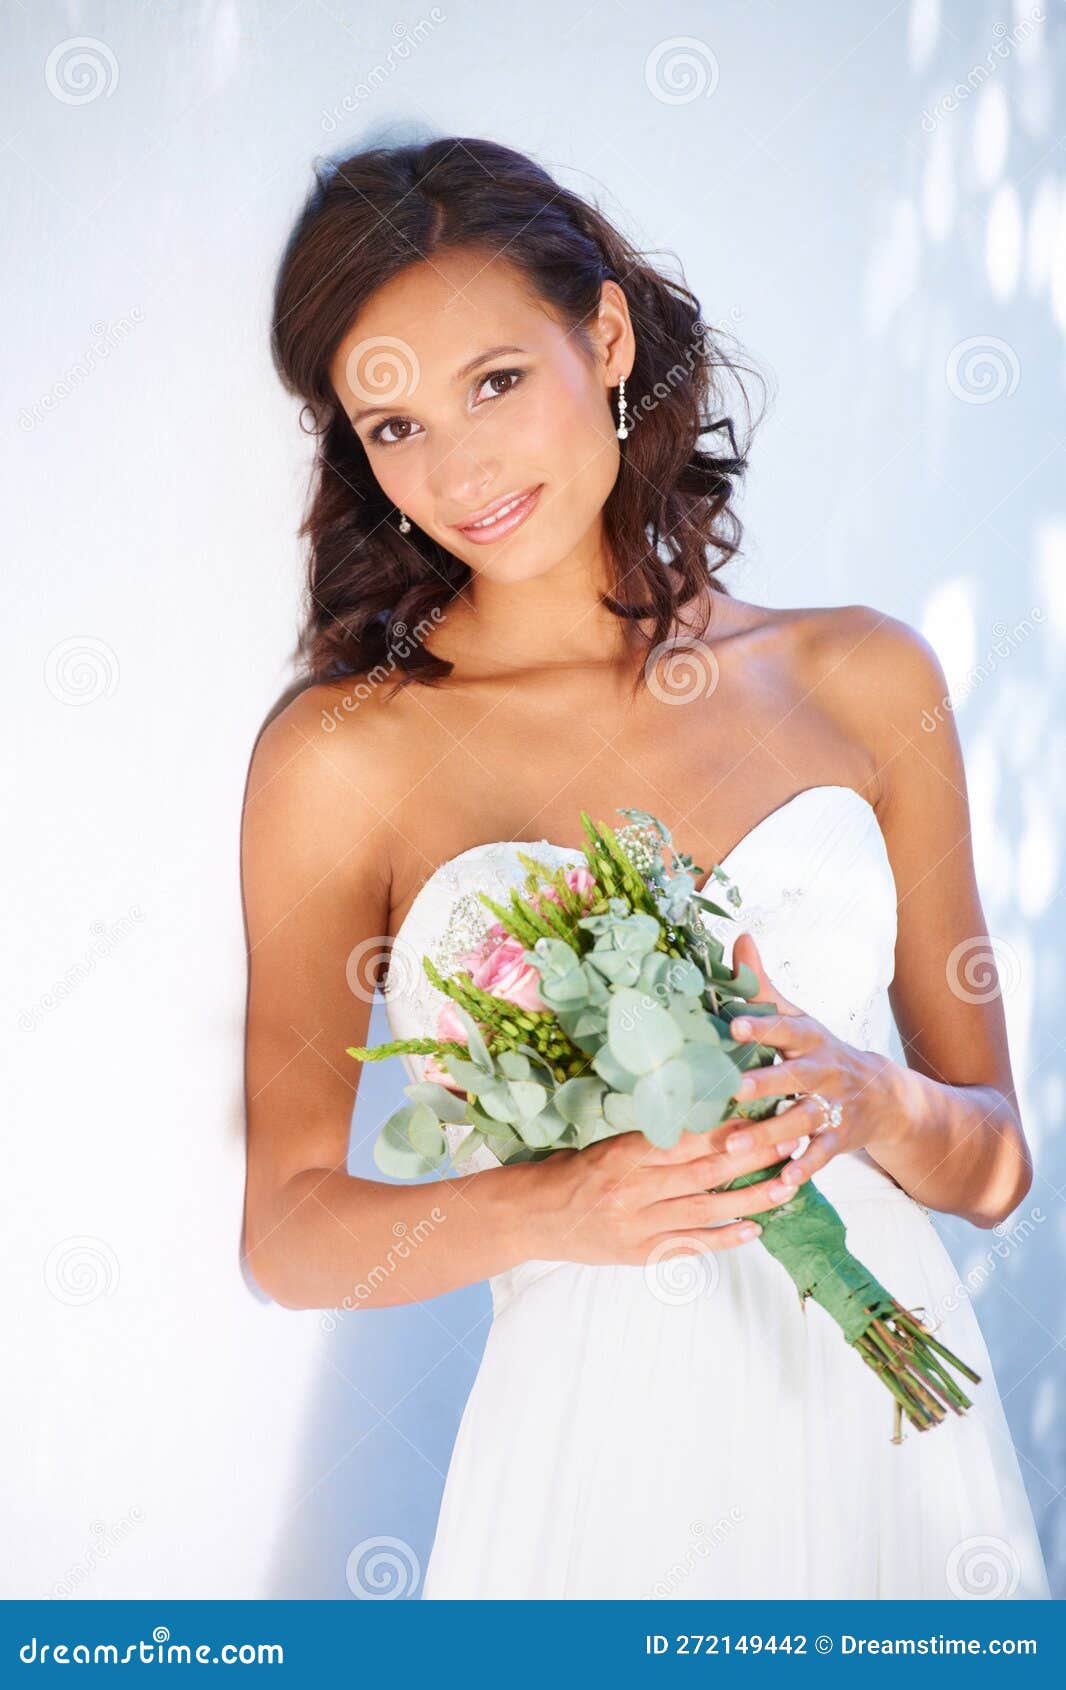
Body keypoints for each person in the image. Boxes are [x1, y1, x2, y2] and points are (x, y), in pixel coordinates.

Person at [240, 135, 1051, 1599]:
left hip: (895, 1456)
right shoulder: (339, 757)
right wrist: (555, 1207)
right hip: (586, 1475)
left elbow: (994, 1164)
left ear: (604, 335)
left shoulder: (863, 678)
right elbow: (289, 1230)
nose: (461, 466)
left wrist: (873, 1101)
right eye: (394, 427)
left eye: (494, 382)